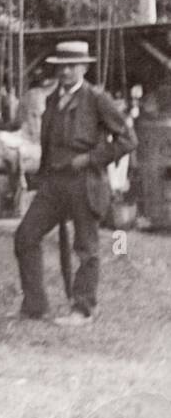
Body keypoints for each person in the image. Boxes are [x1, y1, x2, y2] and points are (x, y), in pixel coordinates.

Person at [13, 41, 135, 327]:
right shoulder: (53, 99)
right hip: (54, 185)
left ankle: (82, 309)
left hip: (85, 183)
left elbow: (128, 140)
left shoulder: (97, 98)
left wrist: (90, 159)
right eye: (61, 66)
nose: (66, 71)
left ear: (84, 67)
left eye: (72, 66)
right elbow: (48, 143)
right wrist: (40, 179)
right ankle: (35, 306)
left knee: (86, 248)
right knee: (25, 236)